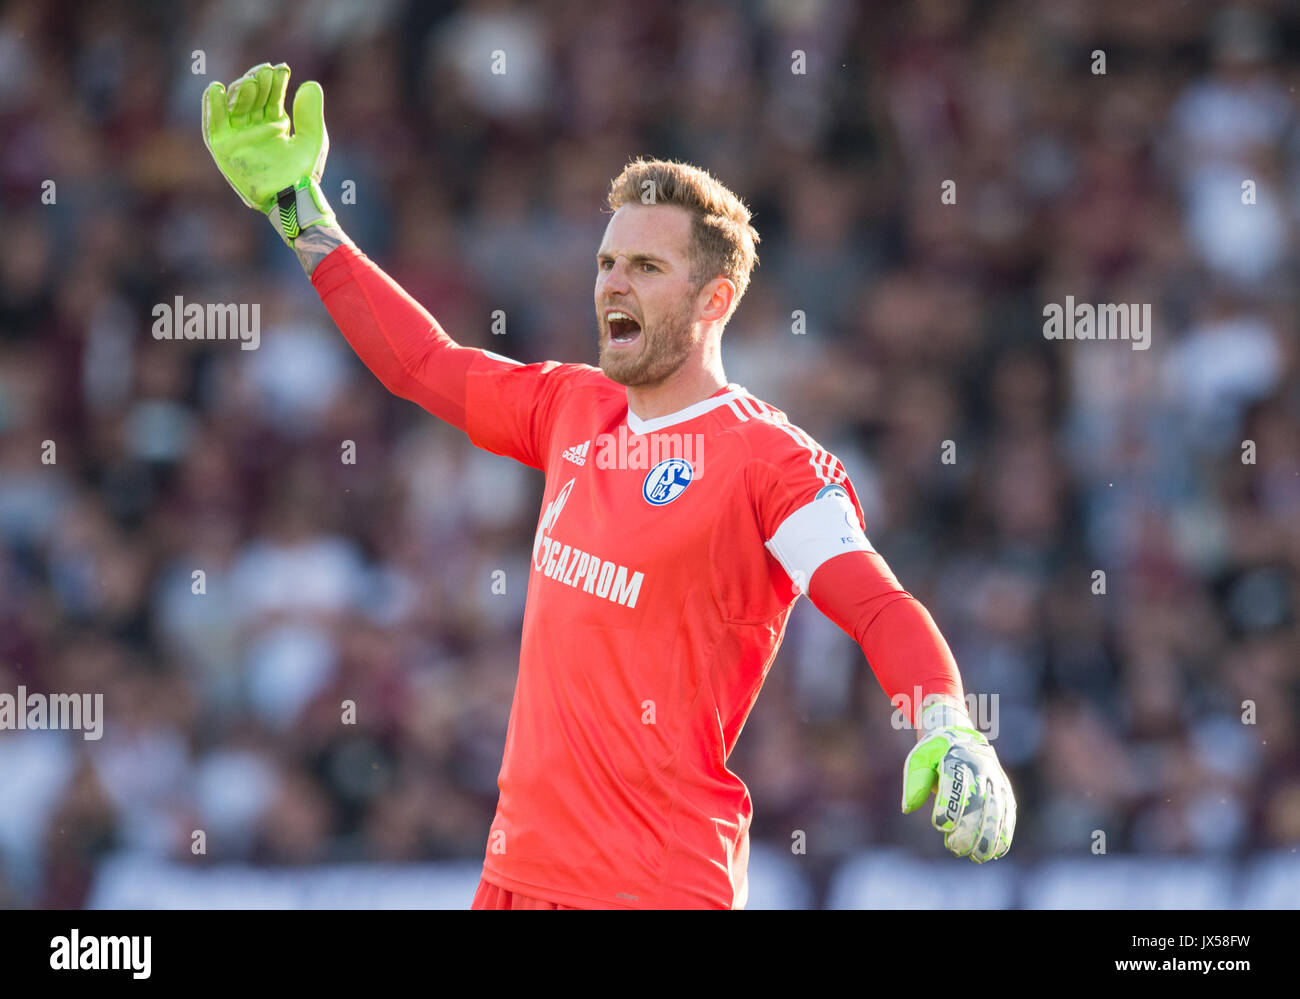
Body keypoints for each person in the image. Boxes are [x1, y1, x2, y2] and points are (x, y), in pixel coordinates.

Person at [201, 62, 1016, 910]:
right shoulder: (570, 407)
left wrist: (945, 720)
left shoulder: (770, 461)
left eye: (646, 267)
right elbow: (421, 364)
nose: (613, 282)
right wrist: (301, 211)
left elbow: (877, 605)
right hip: (516, 878)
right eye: (607, 261)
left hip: (651, 885)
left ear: (714, 298)